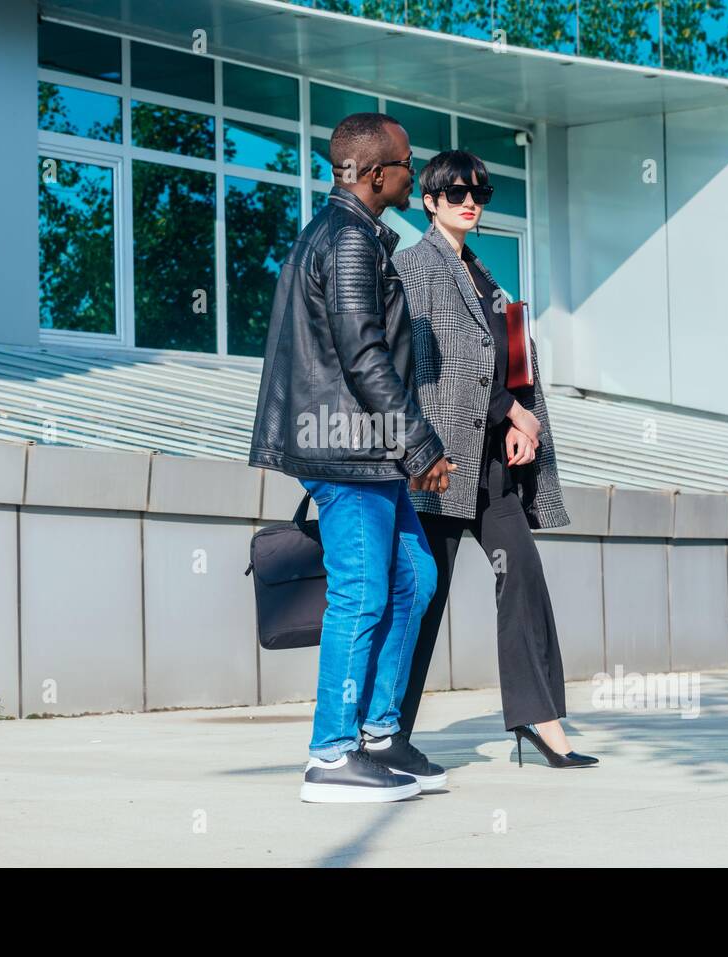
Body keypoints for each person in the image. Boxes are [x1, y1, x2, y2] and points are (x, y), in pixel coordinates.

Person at [249, 113, 458, 802]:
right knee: (364, 591)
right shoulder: (344, 242)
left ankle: (377, 734)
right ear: (375, 176)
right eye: (405, 163)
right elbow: (363, 355)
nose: (412, 169)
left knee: (414, 577)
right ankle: (332, 754)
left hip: (366, 449)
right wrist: (420, 444)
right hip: (345, 449)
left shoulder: (354, 234)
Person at [392, 149, 599, 769]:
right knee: (423, 596)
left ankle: (540, 719)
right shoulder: (412, 269)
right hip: (438, 462)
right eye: (455, 192)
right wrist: (509, 411)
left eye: (478, 191)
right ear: (429, 201)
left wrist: (522, 424)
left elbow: (508, 357)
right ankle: (388, 733)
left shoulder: (487, 276)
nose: (469, 201)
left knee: (525, 579)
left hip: (491, 468)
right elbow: (429, 372)